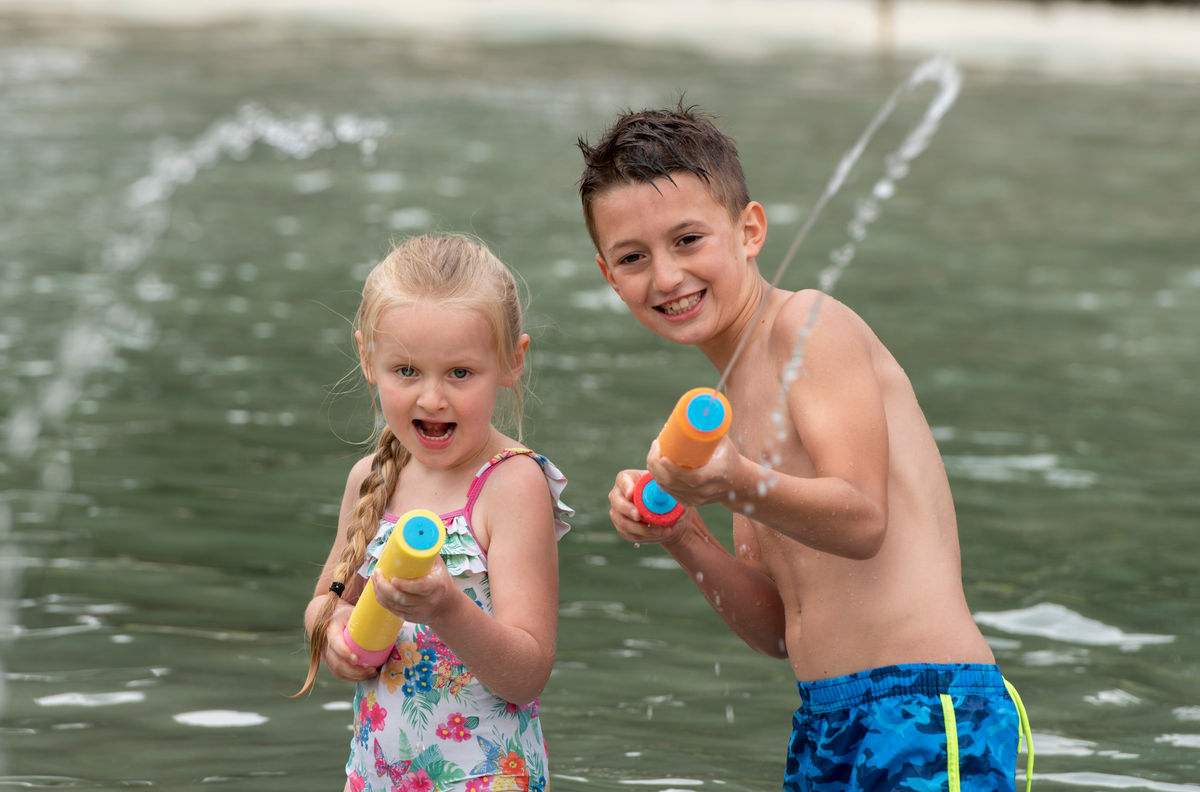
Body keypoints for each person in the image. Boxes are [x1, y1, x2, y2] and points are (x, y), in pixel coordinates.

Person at [577, 104, 1031, 791]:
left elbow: (862, 521)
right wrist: (683, 533)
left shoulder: (810, 327)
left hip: (928, 707)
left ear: (749, 230)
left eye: (688, 240)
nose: (666, 277)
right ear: (610, 277)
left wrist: (732, 482)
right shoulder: (728, 416)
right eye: (634, 258)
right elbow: (781, 632)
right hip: (827, 721)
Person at [298, 234, 572, 792]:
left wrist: (447, 608)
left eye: (460, 373)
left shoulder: (512, 485)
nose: (431, 398)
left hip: (484, 777)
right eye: (406, 371)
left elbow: (527, 672)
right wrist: (333, 635)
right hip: (376, 774)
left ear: (512, 361)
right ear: (366, 360)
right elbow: (329, 599)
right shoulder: (371, 479)